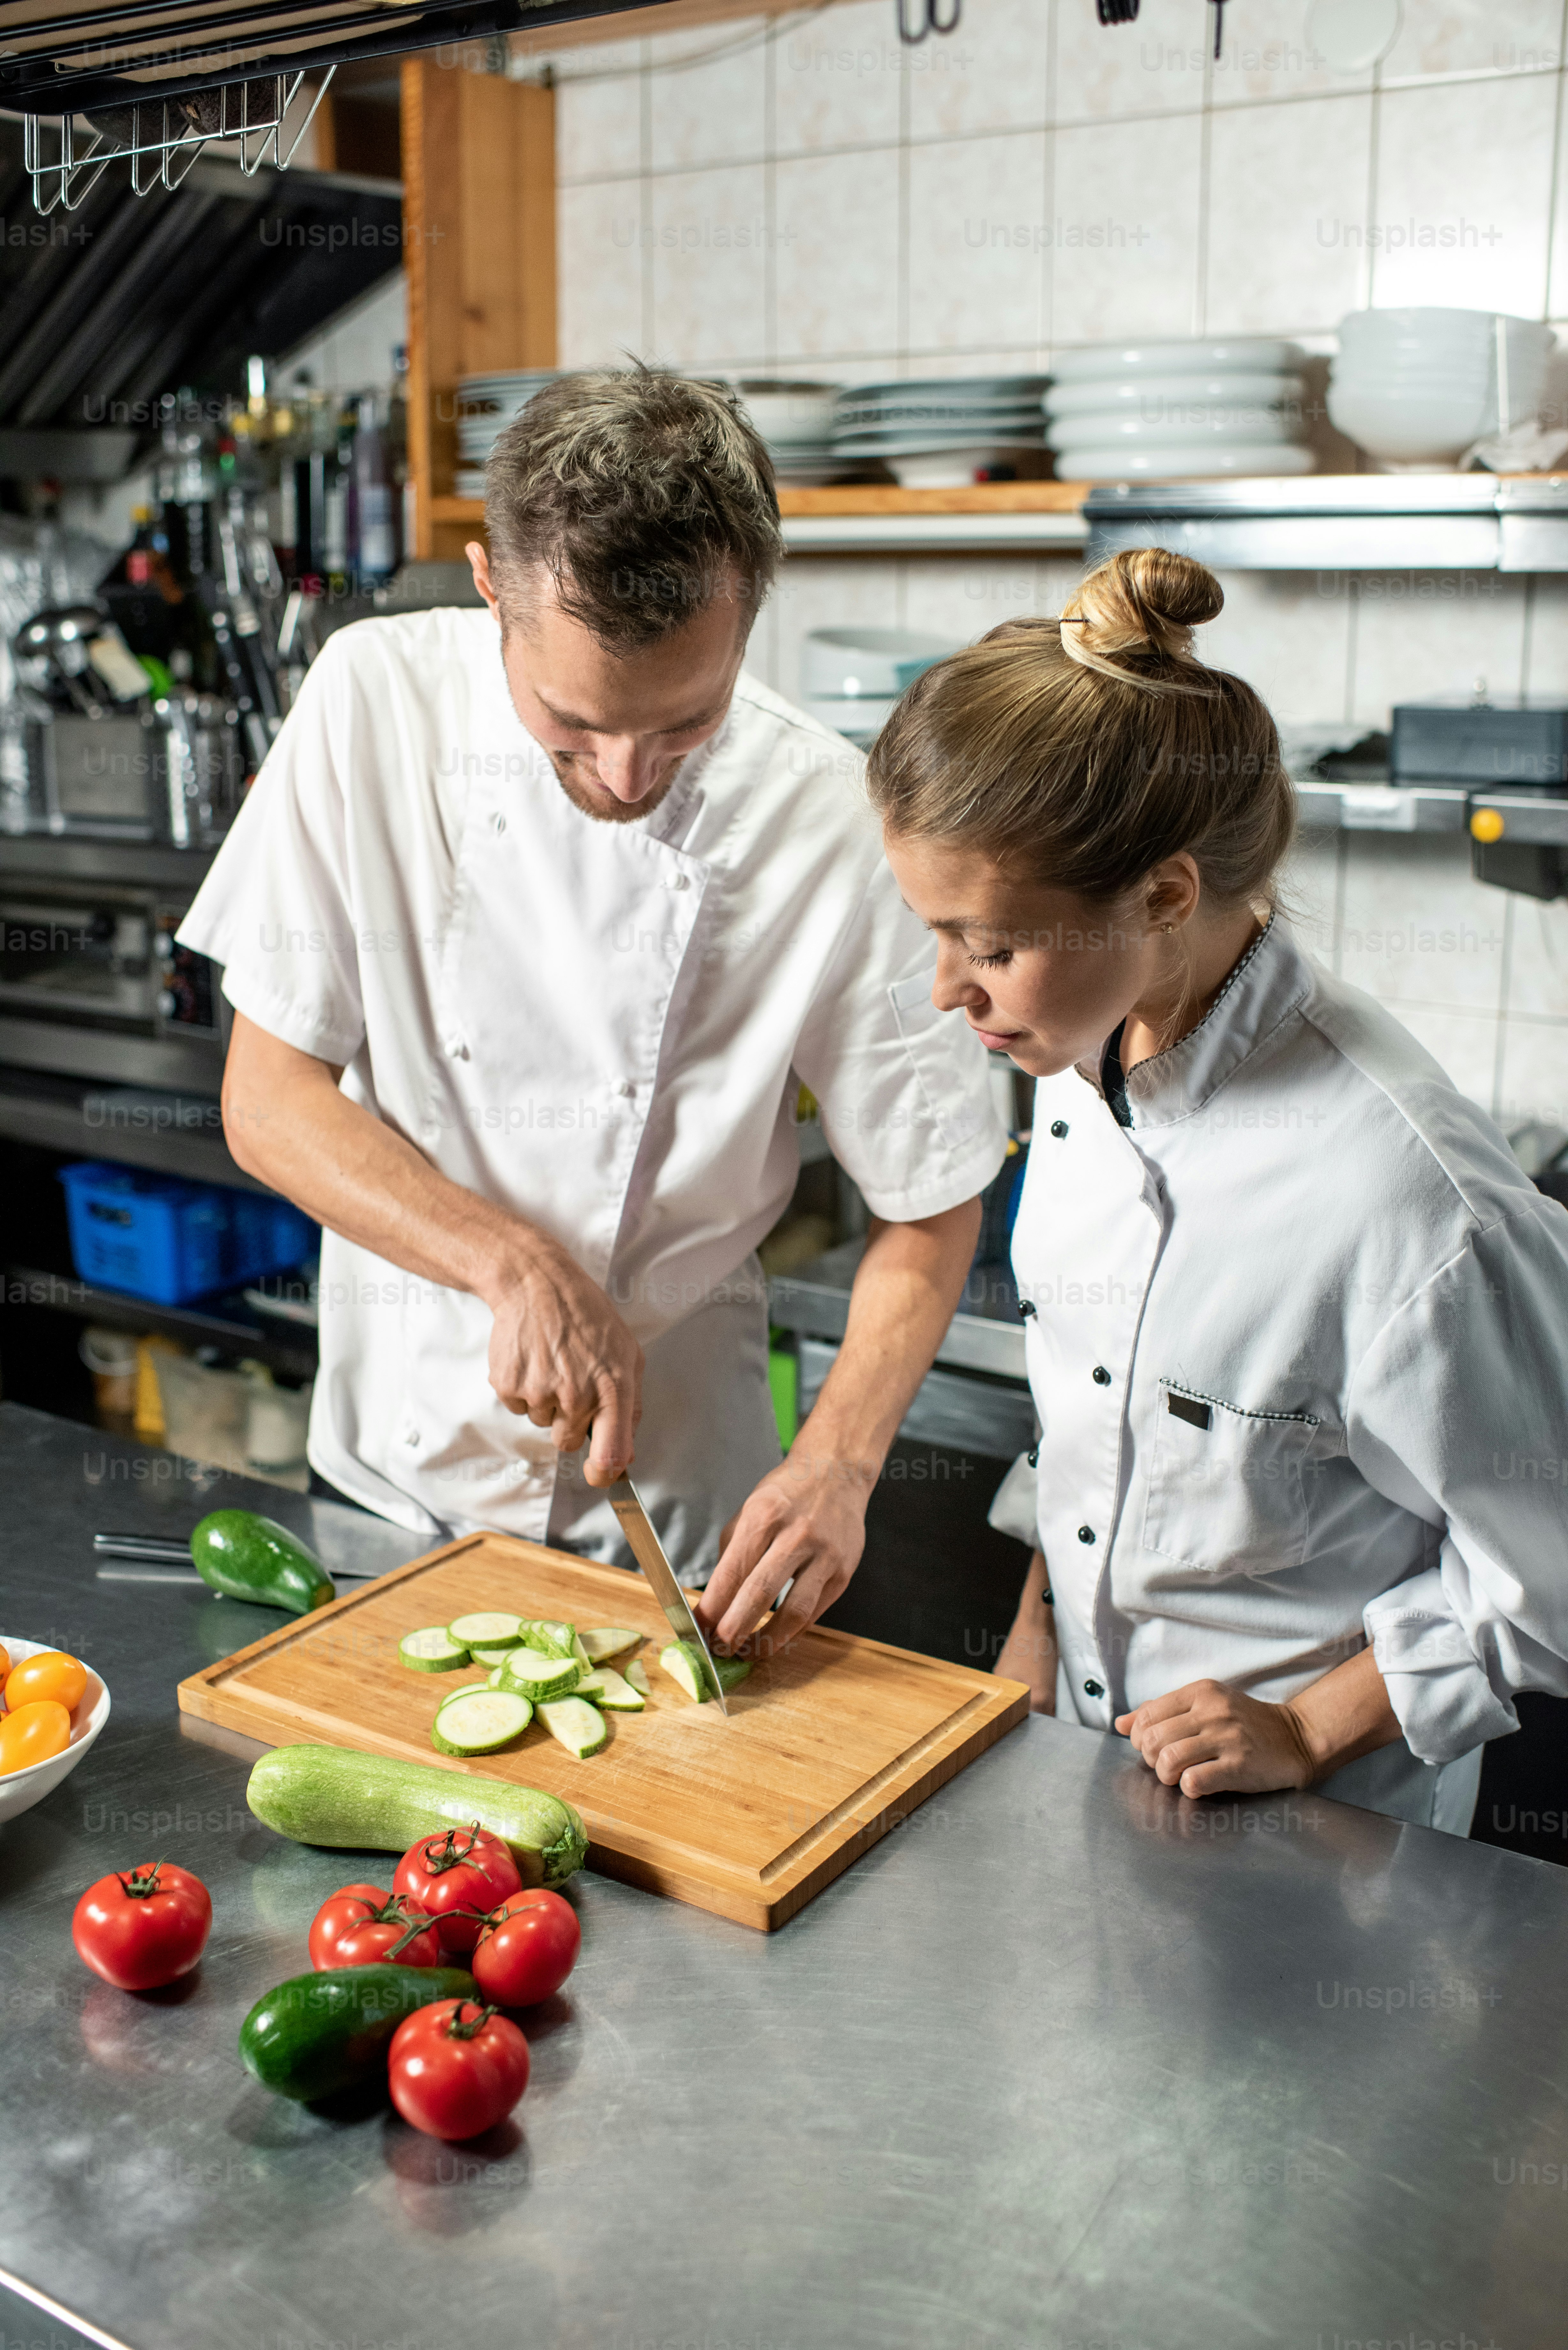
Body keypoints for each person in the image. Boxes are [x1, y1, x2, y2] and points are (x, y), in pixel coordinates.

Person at [179, 368, 1006, 1640]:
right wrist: (509, 1264)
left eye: (687, 724)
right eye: (571, 728)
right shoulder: (370, 704)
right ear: (488, 584)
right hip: (394, 1488)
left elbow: (934, 1193)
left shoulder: (835, 819)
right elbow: (268, 1100)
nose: (625, 776)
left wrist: (841, 1457)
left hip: (682, 1513)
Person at [861, 544, 1568, 1831]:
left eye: (992, 945)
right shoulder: (1085, 1047)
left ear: (1164, 894)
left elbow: (1550, 1568)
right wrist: (1030, 1659)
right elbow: (1092, 1407)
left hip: (1329, 1839)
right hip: (1083, 1778)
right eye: (936, 932)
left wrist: (1306, 1725)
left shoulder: (1404, 1198)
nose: (947, 989)